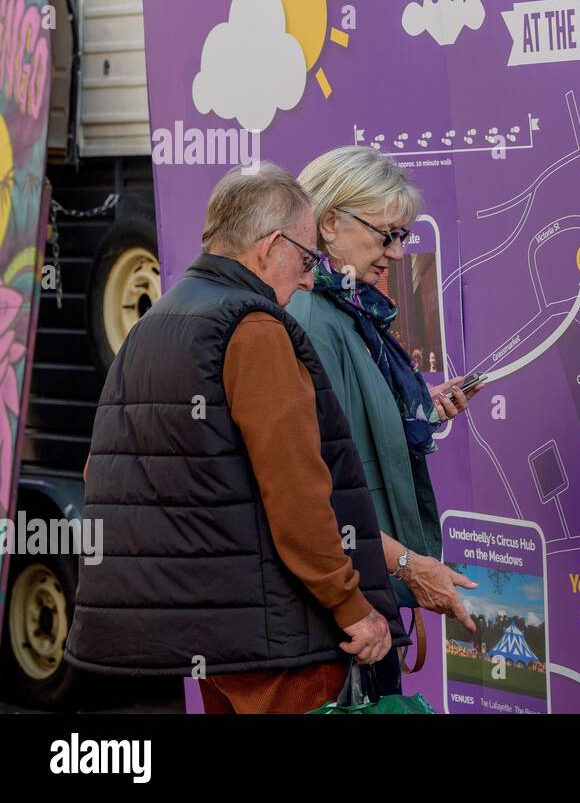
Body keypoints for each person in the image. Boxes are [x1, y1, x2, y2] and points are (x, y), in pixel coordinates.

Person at [64, 163, 408, 713]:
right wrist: (352, 609)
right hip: (279, 644)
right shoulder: (254, 327)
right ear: (271, 247)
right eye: (304, 260)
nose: (304, 280)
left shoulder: (153, 324)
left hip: (212, 647)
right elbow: (297, 496)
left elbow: (101, 474)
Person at [288, 145, 482, 695]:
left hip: (355, 598)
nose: (397, 255)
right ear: (329, 224)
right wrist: (405, 566)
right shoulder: (313, 316)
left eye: (404, 237)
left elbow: (352, 435)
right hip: (343, 616)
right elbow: (316, 482)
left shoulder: (346, 311)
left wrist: (416, 409)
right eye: (386, 234)